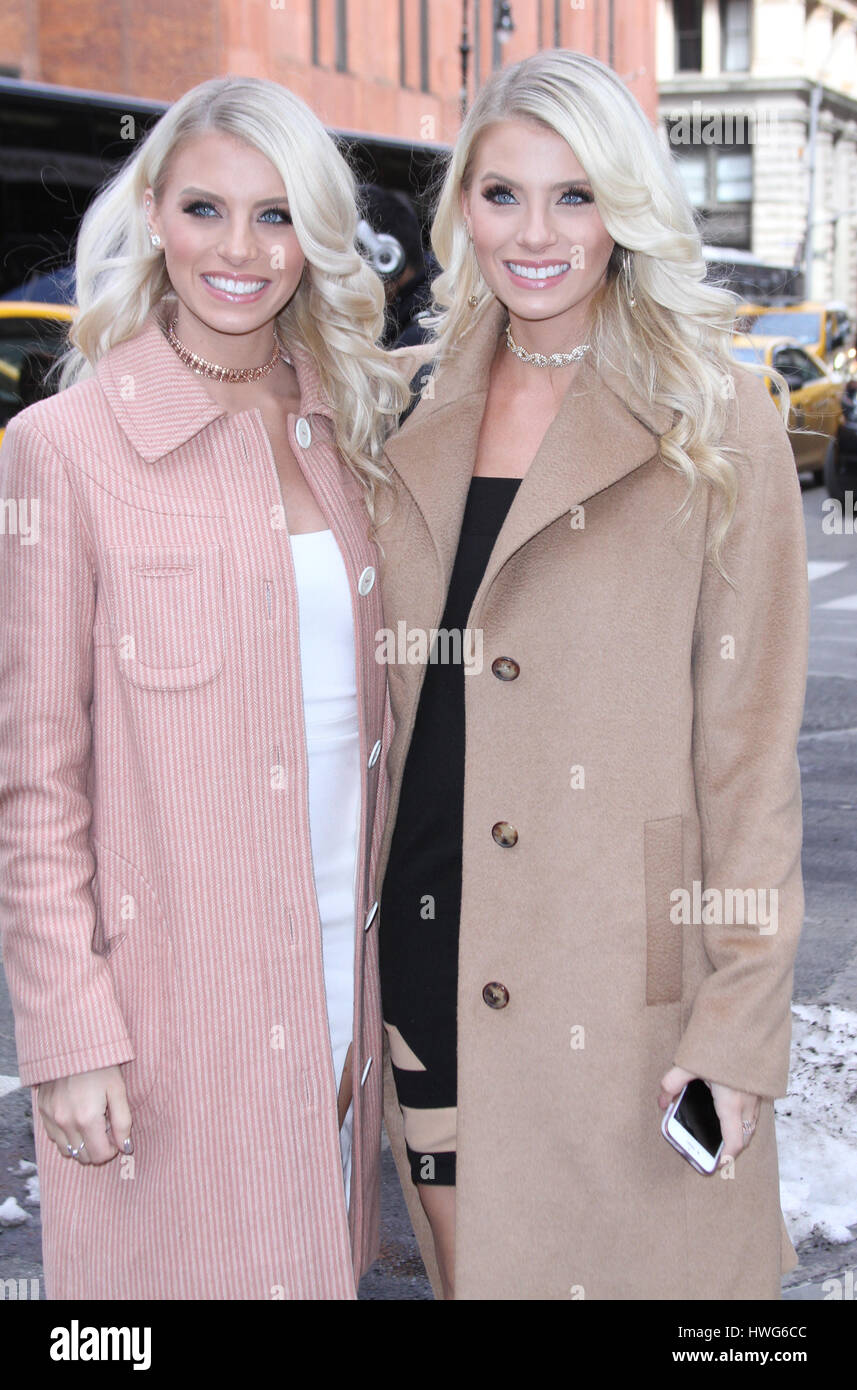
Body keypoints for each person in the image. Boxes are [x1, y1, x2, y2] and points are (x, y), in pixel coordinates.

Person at [375, 49, 808, 1300]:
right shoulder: (400, 408)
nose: (535, 231)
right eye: (501, 193)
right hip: (431, 961)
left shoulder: (716, 420)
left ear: (624, 207)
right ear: (461, 205)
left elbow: (745, 756)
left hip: (624, 996)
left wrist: (736, 1019)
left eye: (574, 195)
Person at [0, 74, 411, 1299]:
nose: (239, 250)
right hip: (170, 1019)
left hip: (347, 988)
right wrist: (67, 1035)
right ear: (153, 219)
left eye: (277, 216)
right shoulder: (60, 452)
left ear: (315, 239)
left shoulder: (354, 436)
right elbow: (33, 778)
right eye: (205, 209)